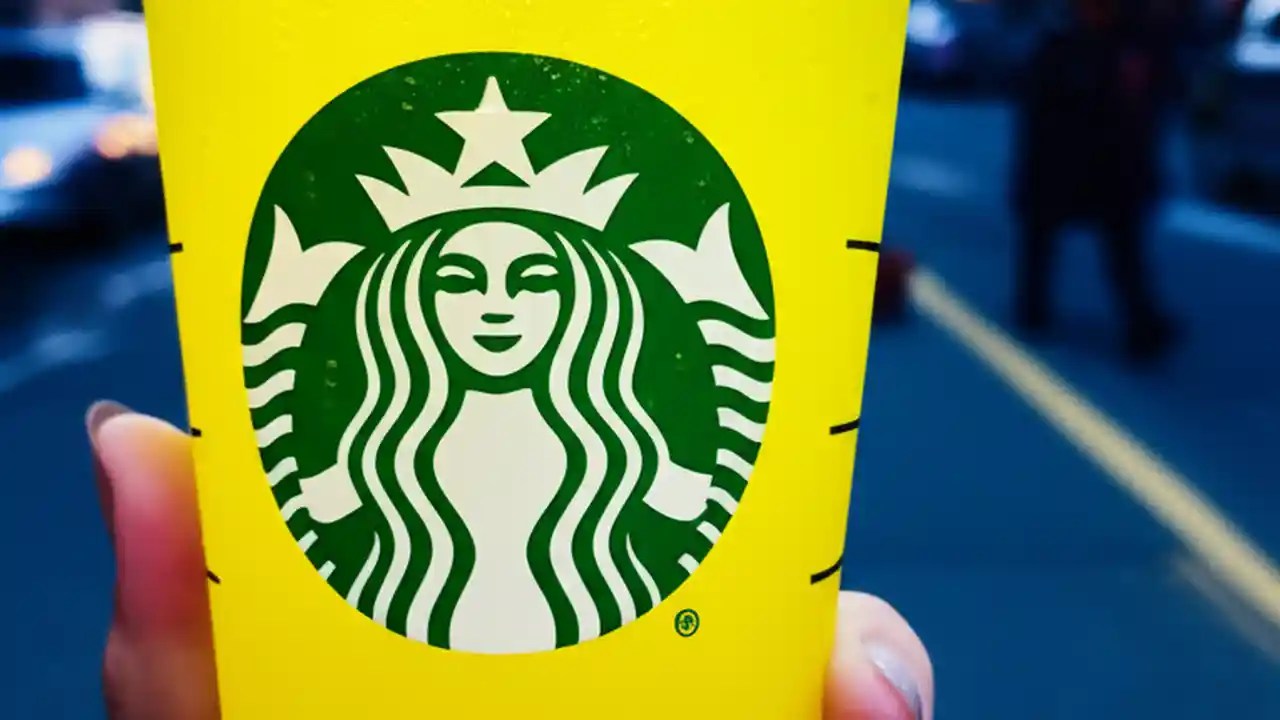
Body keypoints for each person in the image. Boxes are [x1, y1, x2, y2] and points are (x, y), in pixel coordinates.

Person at [86, 400, 935, 720]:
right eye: (460, 279)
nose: (497, 307)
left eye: (532, 280)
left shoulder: (641, 468)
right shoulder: (362, 471)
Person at [1011, 0, 1182, 362]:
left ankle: (1141, 323)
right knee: (1050, 239)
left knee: (1120, 247)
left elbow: (1146, 110)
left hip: (1106, 164)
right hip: (1069, 161)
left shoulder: (1130, 45)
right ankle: (1035, 307)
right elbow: (1039, 112)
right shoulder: (1064, 44)